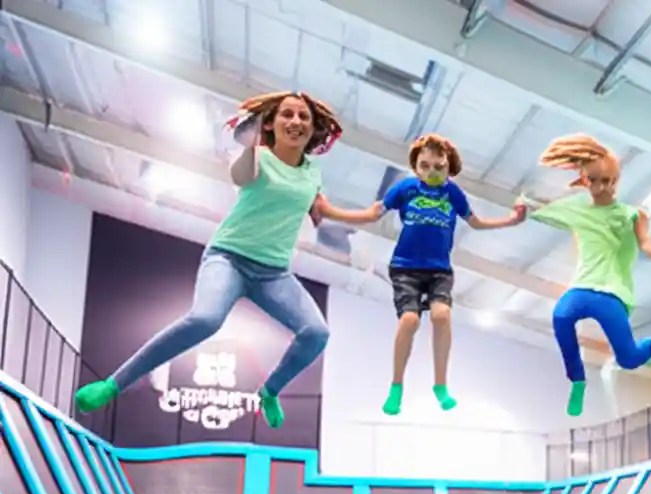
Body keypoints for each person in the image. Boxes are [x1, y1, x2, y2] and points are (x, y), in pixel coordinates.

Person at [73, 91, 351, 429]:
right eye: (287, 115)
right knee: (205, 319)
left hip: (274, 273)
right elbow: (239, 175)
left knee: (317, 333)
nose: (296, 121)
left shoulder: (312, 173)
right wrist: (249, 145)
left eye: (303, 117)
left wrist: (355, 217)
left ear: (314, 128)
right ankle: (114, 383)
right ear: (272, 124)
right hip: (229, 259)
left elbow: (316, 207)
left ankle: (270, 391)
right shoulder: (258, 157)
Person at [313, 133, 526, 414]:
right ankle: (396, 386)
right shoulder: (406, 189)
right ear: (416, 166)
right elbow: (373, 214)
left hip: (439, 269)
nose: (432, 172)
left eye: (439, 166)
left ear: (449, 167)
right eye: (425, 166)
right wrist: (330, 212)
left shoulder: (453, 194)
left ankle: (440, 385)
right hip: (405, 267)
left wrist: (512, 220)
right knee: (410, 320)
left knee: (442, 315)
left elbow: (477, 223)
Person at [530, 133, 651, 416]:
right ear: (584, 180)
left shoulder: (632, 214)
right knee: (561, 315)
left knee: (627, 359)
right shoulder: (575, 209)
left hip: (613, 293)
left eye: (610, 180)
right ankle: (577, 380)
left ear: (617, 179)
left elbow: (648, 245)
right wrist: (518, 209)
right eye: (595, 181)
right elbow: (533, 209)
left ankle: (647, 348)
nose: (605, 187)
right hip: (582, 287)